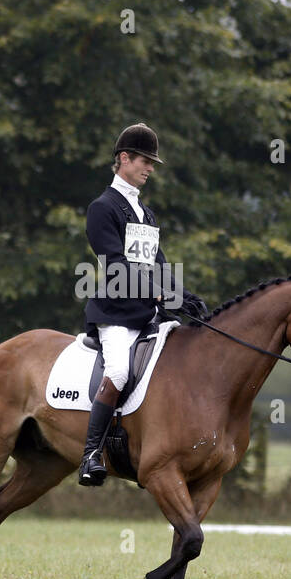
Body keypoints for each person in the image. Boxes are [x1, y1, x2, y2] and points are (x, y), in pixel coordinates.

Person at [77, 123, 208, 486]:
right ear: (124, 159)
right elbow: (116, 266)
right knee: (118, 371)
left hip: (148, 318)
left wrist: (186, 296)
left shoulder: (146, 214)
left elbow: (160, 266)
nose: (150, 169)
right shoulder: (102, 208)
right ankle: (90, 454)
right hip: (117, 315)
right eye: (144, 162)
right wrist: (157, 292)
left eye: (152, 163)